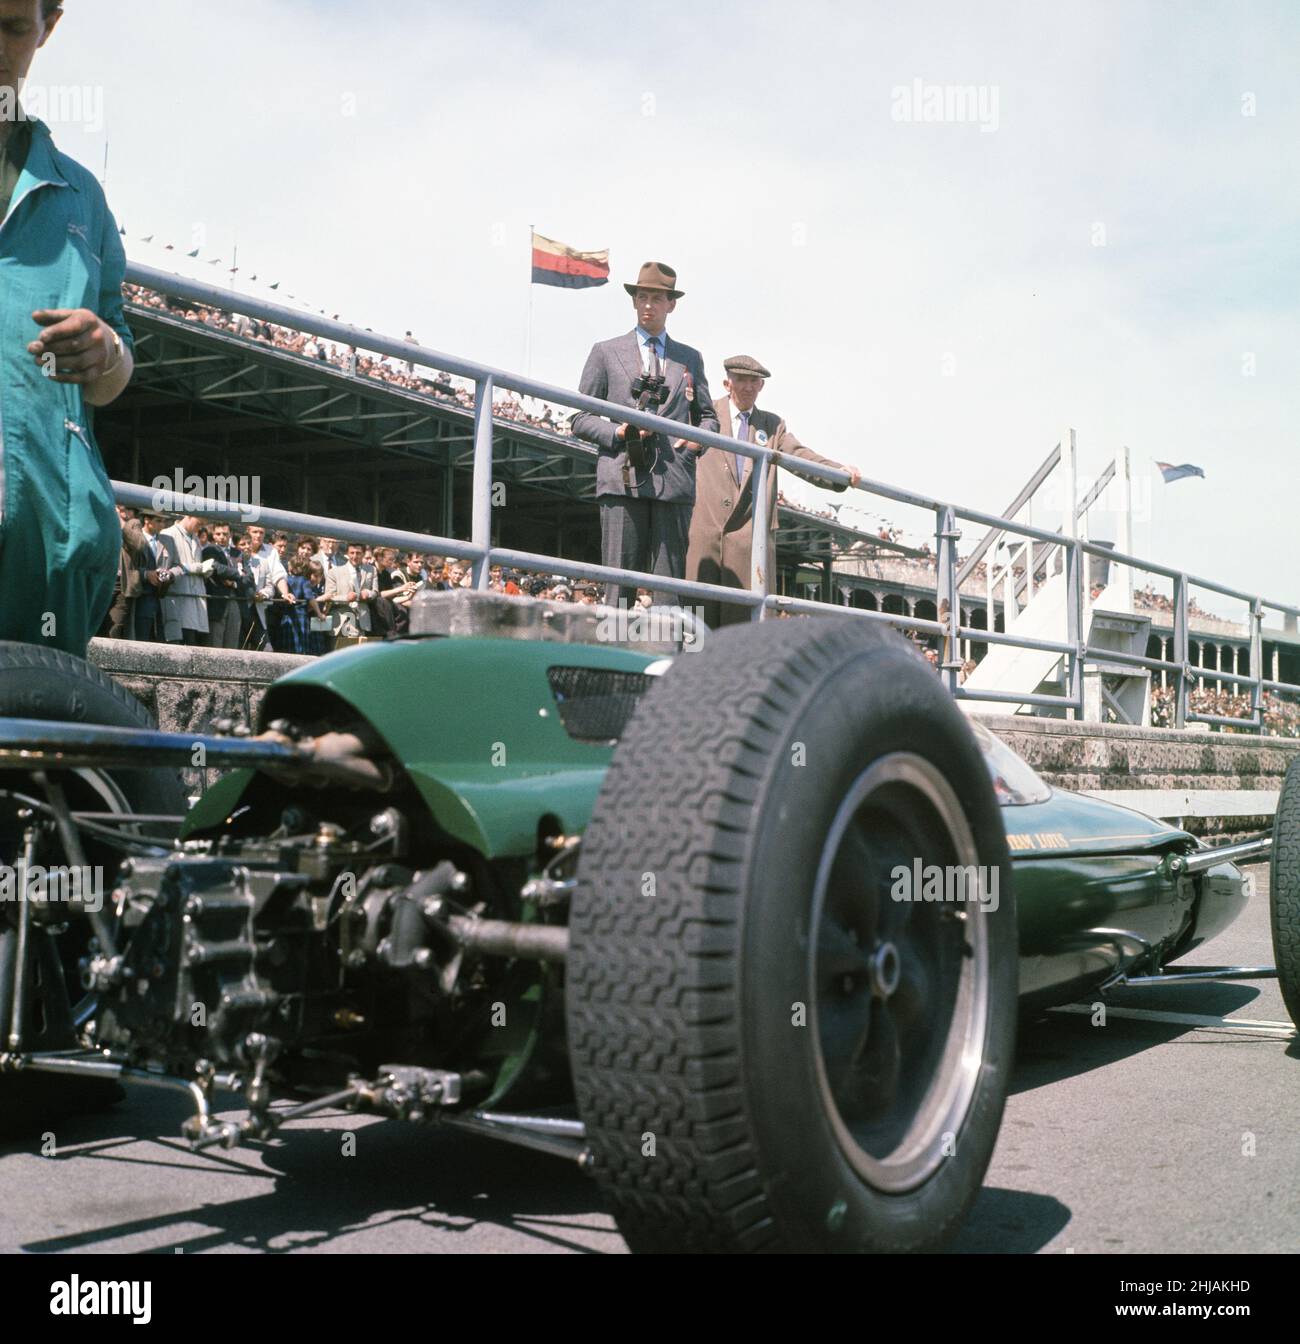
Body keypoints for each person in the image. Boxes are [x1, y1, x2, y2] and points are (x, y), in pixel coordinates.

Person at [0, 0, 137, 654]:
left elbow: (117, 367)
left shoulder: (82, 195)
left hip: (50, 560)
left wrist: (104, 353)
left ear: (47, 27)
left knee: (41, 745)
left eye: (10, 26)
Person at [570, 261, 718, 608]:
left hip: (675, 482)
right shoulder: (605, 351)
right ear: (634, 302)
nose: (648, 304)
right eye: (642, 297)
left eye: (657, 297)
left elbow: (709, 418)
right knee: (619, 587)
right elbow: (579, 417)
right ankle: (614, 659)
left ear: (672, 304)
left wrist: (698, 440)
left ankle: (669, 660)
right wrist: (619, 431)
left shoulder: (690, 358)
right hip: (622, 479)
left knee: (670, 590)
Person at [686, 355, 861, 629]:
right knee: (696, 626)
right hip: (703, 537)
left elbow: (800, 456)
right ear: (726, 383)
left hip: (748, 544)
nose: (747, 387)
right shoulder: (705, 414)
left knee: (742, 630)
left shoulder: (772, 425)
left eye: (753, 381)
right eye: (740, 380)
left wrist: (839, 473)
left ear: (761, 387)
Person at [157, 515, 214, 645]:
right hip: (177, 600)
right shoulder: (168, 534)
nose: (200, 528)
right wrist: (193, 568)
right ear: (189, 515)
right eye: (199, 523)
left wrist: (205, 571)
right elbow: (163, 571)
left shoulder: (195, 538)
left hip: (195, 601)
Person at [200, 522, 251, 648]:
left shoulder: (238, 553)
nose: (222, 537)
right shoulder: (209, 550)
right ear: (213, 535)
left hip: (235, 600)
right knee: (214, 643)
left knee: (232, 643)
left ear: (230, 535)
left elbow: (249, 577)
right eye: (218, 534)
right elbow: (216, 568)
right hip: (217, 602)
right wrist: (238, 574)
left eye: (225, 534)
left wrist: (233, 582)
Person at [321, 542, 375, 649]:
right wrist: (346, 598)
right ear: (347, 553)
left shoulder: (371, 570)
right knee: (338, 659)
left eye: (358, 553)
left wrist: (368, 593)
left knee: (358, 659)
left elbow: (376, 591)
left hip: (362, 622)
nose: (355, 556)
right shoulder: (334, 572)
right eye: (352, 553)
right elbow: (328, 596)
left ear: (363, 554)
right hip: (341, 622)